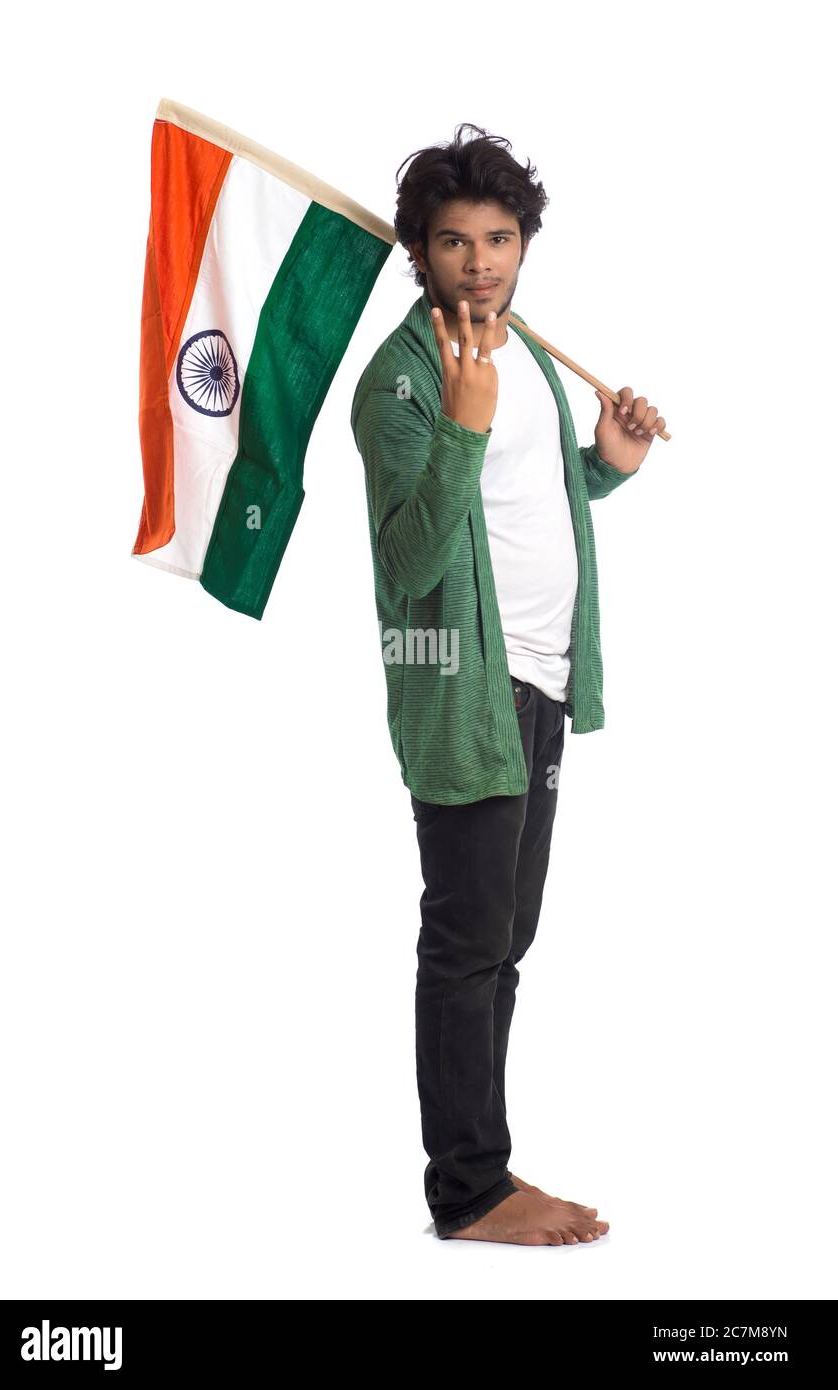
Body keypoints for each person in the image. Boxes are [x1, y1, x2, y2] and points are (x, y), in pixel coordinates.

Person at [350, 124, 665, 1245]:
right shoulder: (402, 379)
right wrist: (460, 431)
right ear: (419, 252)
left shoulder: (521, 344)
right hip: (457, 685)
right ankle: (470, 1188)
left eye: (497, 236)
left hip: (537, 672)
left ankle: (487, 1163)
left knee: (508, 931)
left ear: (522, 242)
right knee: (468, 933)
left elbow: (527, 504)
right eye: (453, 241)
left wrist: (604, 468)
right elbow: (414, 561)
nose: (479, 260)